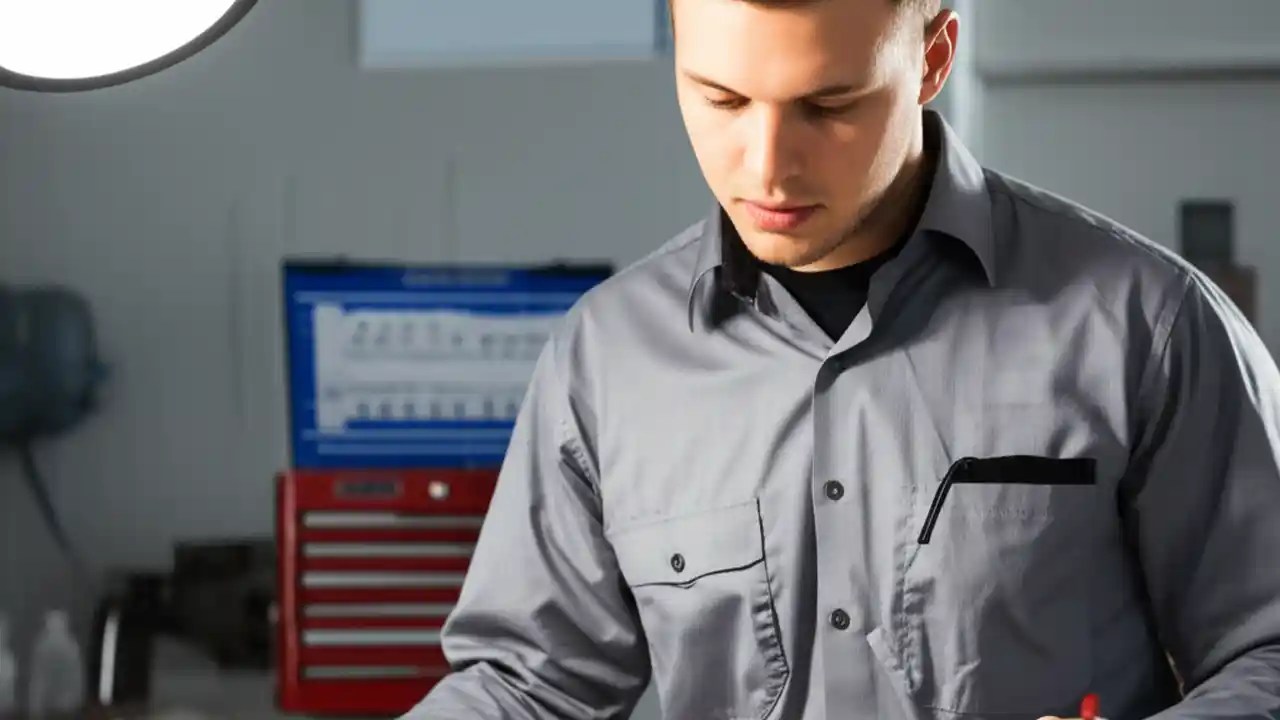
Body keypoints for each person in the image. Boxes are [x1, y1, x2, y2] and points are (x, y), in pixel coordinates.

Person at [406, 0, 1280, 718]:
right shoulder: (605, 359)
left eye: (828, 107)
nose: (769, 167)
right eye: (721, 99)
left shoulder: (1148, 326)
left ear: (933, 58)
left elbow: (1267, 652)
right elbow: (529, 689)